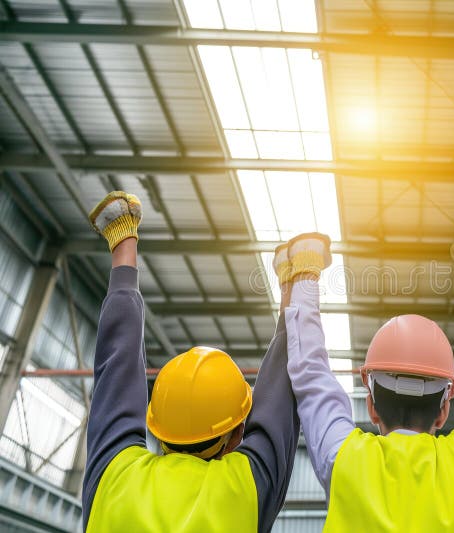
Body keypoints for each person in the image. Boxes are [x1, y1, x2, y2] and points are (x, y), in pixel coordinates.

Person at [278, 208, 454, 531]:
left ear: (371, 407)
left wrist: (304, 270)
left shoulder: (345, 459)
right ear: (443, 411)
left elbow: (308, 372)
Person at [81, 191, 299, 532]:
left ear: (157, 426)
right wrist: (293, 289)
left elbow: (116, 369)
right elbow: (280, 402)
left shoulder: (114, 475)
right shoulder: (244, 489)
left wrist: (123, 238)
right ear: (237, 434)